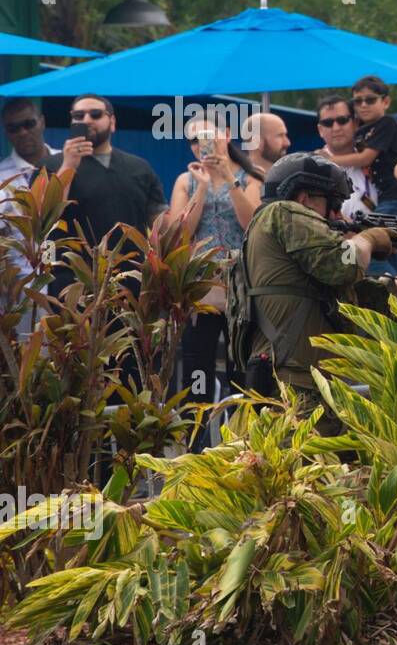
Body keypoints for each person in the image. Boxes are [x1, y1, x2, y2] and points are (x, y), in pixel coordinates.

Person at [238, 152, 397, 432]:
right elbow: (344, 265)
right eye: (335, 204)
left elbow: (382, 296)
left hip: (307, 391)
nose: (339, 216)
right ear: (304, 199)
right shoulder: (282, 212)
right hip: (299, 396)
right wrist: (367, 239)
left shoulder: (292, 268)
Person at [169, 116, 263, 443]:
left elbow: (252, 222)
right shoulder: (187, 180)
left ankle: (242, 441)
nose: (202, 146)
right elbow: (179, 232)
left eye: (208, 137)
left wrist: (227, 177)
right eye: (195, 140)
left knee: (240, 364)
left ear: (225, 136)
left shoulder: (250, 176)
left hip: (241, 285)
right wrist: (205, 186)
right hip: (203, 288)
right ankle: (197, 442)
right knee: (197, 365)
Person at [42, 94, 168, 299]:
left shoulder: (139, 168)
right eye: (78, 115)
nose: (87, 120)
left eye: (95, 114)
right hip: (72, 283)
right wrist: (69, 164)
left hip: (131, 282)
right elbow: (46, 216)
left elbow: (161, 225)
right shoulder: (51, 166)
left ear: (113, 122)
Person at [320, 75, 397, 276]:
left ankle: (394, 289)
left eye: (370, 99)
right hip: (393, 198)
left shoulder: (386, 123)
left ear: (386, 101)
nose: (363, 105)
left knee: (367, 239)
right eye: (357, 101)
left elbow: (366, 158)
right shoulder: (363, 131)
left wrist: (329, 160)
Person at [0, 98, 60, 334]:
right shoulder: (3, 177)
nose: (23, 132)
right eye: (14, 128)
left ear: (42, 122)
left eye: (29, 124)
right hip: (23, 289)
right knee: (33, 363)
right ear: (6, 132)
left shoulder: (69, 162)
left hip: (68, 279)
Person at [314, 96, 373, 221]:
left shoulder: (376, 158)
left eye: (342, 120)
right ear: (320, 130)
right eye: (328, 123)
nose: (336, 128)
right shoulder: (312, 167)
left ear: (355, 123)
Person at [240, 111, 292, 201]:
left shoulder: (292, 177)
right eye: (280, 136)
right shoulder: (237, 181)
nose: (287, 143)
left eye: (285, 135)